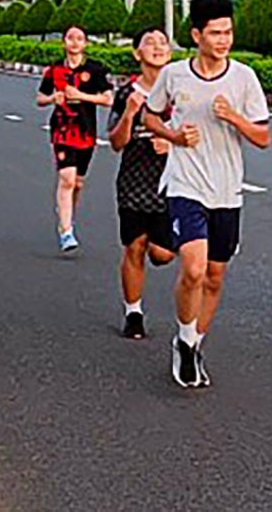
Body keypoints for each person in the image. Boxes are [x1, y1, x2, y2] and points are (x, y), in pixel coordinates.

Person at [143, 0, 271, 389]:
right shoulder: (175, 75)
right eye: (215, 33)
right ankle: (183, 338)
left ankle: (194, 343)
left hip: (227, 190)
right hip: (186, 183)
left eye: (228, 32)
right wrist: (174, 135)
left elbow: (263, 137)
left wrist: (233, 116)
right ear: (196, 35)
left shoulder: (244, 78)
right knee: (193, 268)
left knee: (215, 276)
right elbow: (151, 115)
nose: (223, 40)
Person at [107, 26, 178, 339]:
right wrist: (130, 113)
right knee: (134, 246)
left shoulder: (182, 90)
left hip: (173, 182)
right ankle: (133, 312)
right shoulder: (126, 93)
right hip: (135, 181)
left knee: (162, 254)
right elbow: (116, 142)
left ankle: (158, 242)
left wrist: (171, 142)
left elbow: (200, 135)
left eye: (163, 42)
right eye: (149, 42)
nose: (157, 47)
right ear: (137, 53)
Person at [37, 25, 114, 252]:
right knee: (67, 178)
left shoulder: (95, 70)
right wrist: (53, 98)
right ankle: (66, 230)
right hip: (61, 130)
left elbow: (108, 98)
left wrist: (81, 96)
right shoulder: (54, 71)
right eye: (70, 38)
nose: (74, 42)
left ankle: (67, 212)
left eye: (79, 38)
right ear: (63, 42)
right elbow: (40, 98)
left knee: (77, 182)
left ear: (85, 44)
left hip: (86, 131)